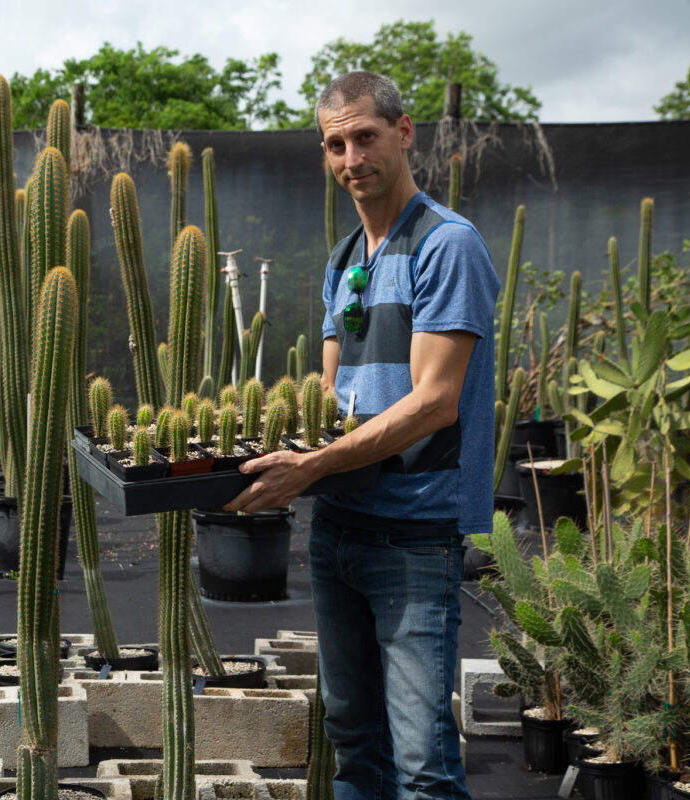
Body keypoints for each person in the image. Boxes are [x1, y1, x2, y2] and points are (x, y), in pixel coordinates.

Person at [225, 71, 499, 799]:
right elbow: (329, 398)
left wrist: (310, 465)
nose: (352, 158)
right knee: (353, 741)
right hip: (339, 527)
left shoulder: (447, 245)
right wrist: (253, 451)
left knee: (422, 760)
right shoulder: (345, 261)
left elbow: (435, 402)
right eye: (336, 144)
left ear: (404, 133)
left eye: (366, 137)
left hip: (412, 535)